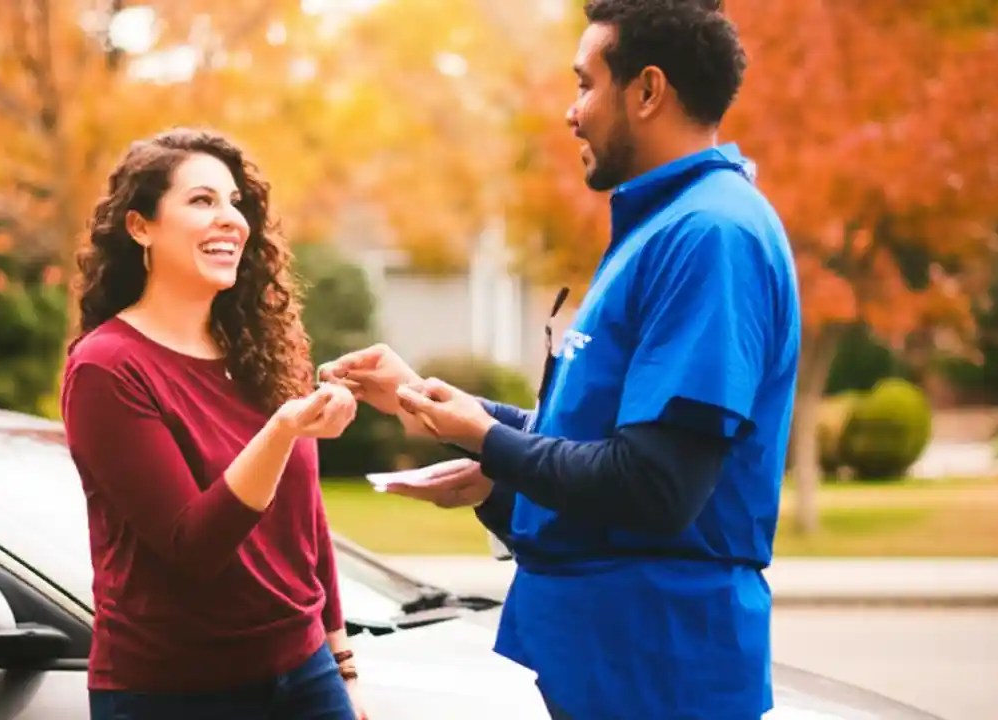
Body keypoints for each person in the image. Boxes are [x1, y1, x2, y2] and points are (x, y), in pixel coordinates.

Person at [321, 1, 800, 718]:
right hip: (614, 659)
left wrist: (488, 440)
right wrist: (435, 410)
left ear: (646, 91)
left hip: (658, 670)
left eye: (584, 83)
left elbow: (654, 489)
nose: (571, 112)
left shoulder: (709, 235)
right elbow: (594, 443)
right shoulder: (664, 225)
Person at [61, 128, 367, 720]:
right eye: (202, 201)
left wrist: (341, 663)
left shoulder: (262, 352)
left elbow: (306, 522)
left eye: (235, 203)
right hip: (173, 693)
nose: (230, 219)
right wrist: (279, 433)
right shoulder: (107, 367)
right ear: (139, 226)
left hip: (305, 677)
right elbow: (191, 545)